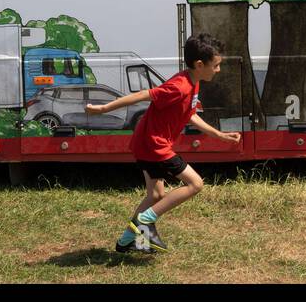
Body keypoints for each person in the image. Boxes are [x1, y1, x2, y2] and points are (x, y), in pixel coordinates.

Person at [86, 33, 240, 253]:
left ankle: (127, 241)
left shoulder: (193, 82)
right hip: (153, 146)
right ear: (199, 64)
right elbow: (142, 94)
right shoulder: (180, 86)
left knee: (156, 196)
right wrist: (103, 109)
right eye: (215, 65)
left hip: (147, 143)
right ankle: (145, 222)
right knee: (195, 184)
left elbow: (189, 114)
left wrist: (219, 135)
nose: (218, 70)